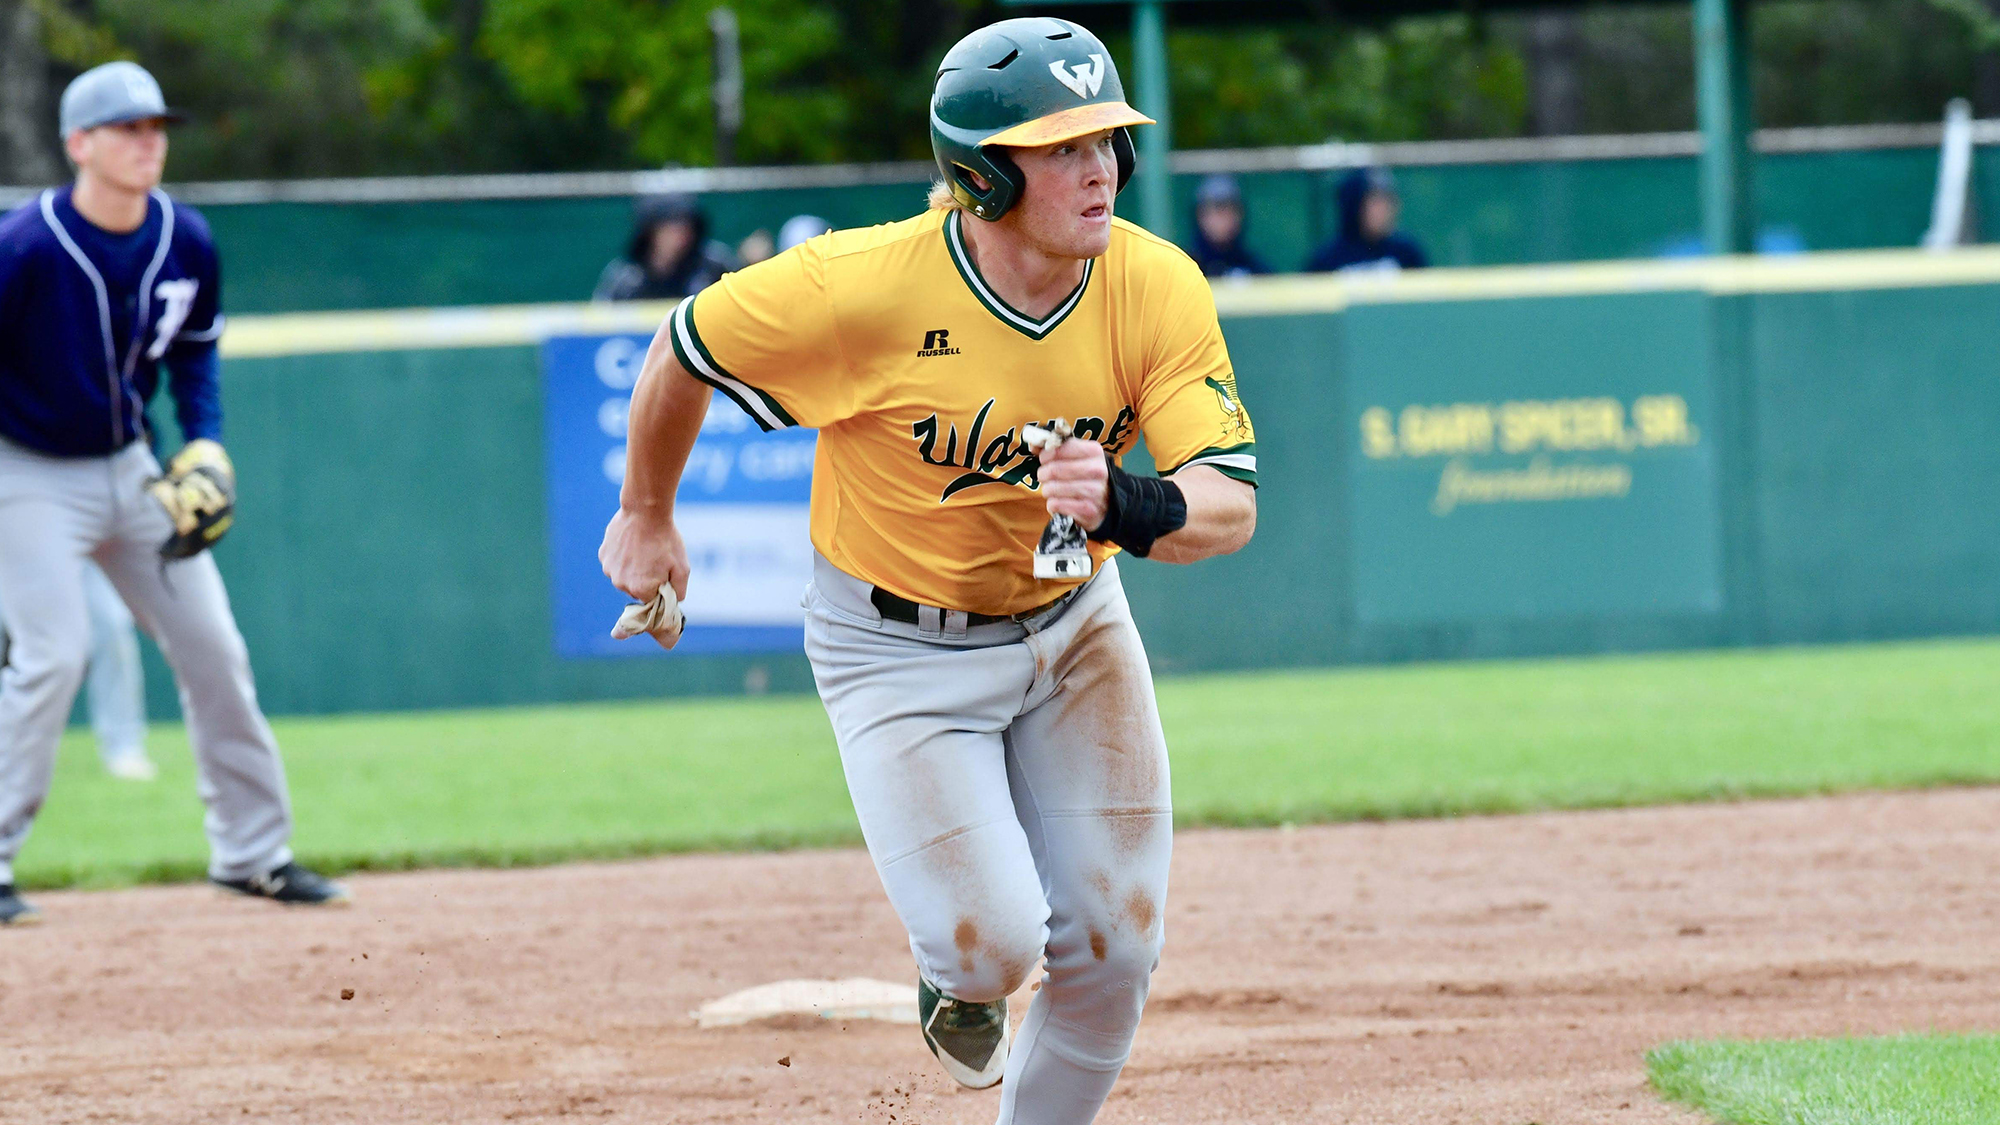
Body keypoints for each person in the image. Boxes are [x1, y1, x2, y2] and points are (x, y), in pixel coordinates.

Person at [600, 17, 1257, 1123]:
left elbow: (1228, 505)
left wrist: (1127, 501)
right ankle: (960, 981)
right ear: (983, 174)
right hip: (894, 646)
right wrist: (646, 513)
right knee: (994, 945)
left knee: (1116, 948)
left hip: (1073, 624)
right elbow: (685, 346)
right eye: (1061, 147)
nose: (1099, 167)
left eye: (1106, 139)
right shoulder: (860, 287)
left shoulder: (1155, 284)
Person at [0, 61, 348, 926]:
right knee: (55, 653)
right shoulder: (25, 244)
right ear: (79, 144)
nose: (148, 142)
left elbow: (194, 354)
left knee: (213, 647)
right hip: (27, 471)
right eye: (127, 128)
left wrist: (205, 440)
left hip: (131, 469)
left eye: (156, 127)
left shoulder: (186, 238)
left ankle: (253, 855)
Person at [2, 563, 158, 781]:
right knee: (19, 638)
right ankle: (13, 751)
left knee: (112, 626)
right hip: (15, 548)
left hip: (87, 554)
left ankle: (124, 747)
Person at [591, 192, 740, 301]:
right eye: (670, 228)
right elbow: (602, 320)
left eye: (686, 226)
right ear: (650, 232)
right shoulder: (625, 279)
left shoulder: (715, 267)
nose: (681, 235)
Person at [1306, 166, 1429, 273]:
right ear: (1354, 205)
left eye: (1388, 201)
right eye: (1376, 202)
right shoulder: (1327, 260)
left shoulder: (1406, 254)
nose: (1385, 210)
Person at [1187, 173, 1269, 278]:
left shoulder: (1254, 267)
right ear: (1200, 216)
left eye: (1229, 210)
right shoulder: (1186, 266)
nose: (1222, 219)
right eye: (1216, 210)